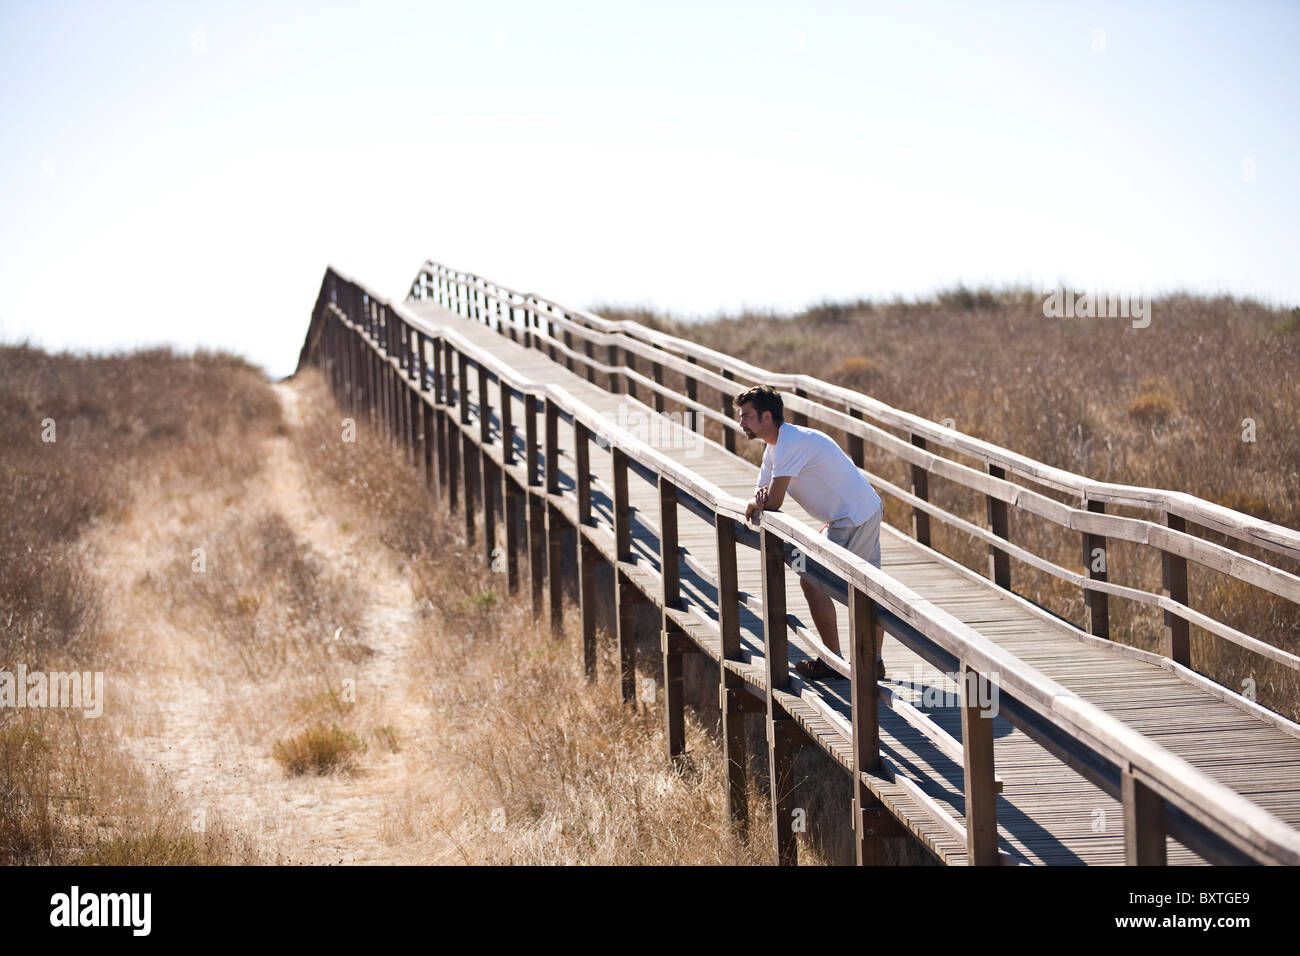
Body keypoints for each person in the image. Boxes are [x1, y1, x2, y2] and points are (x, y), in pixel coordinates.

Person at [737, 384, 885, 681]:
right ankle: (872, 663)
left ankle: (834, 662)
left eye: (747, 416)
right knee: (866, 590)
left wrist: (757, 501)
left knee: (815, 582)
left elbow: (772, 500)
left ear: (767, 416)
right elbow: (761, 488)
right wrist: (758, 498)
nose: (741, 423)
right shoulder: (776, 446)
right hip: (858, 511)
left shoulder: (790, 442)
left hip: (852, 518)